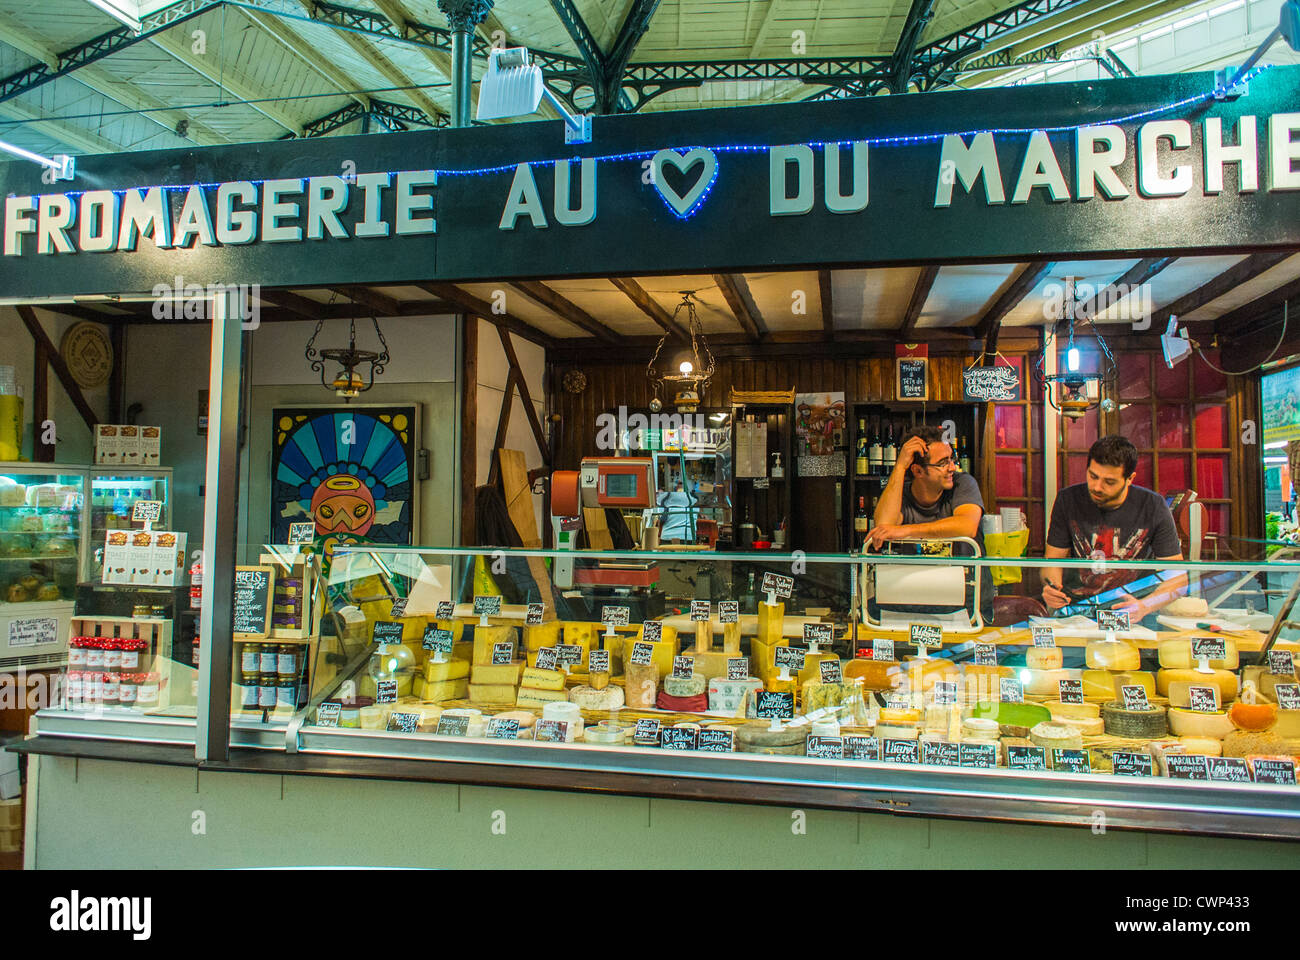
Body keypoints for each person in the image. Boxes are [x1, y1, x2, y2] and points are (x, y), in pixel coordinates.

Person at [1042, 434, 1184, 617]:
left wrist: (1146, 606)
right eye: (1093, 476)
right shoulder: (1067, 499)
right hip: (1076, 611)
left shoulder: (1152, 505)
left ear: (1130, 478)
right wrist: (1050, 588)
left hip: (1133, 612)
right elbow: (1052, 561)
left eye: (1109, 481)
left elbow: (1177, 576)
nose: (1097, 487)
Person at [869, 425, 994, 623]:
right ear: (918, 470)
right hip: (912, 602)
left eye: (952, 459)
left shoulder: (963, 483)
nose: (953, 467)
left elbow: (966, 526)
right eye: (943, 463)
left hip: (966, 605)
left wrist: (903, 531)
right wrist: (900, 466)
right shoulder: (901, 493)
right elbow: (884, 526)